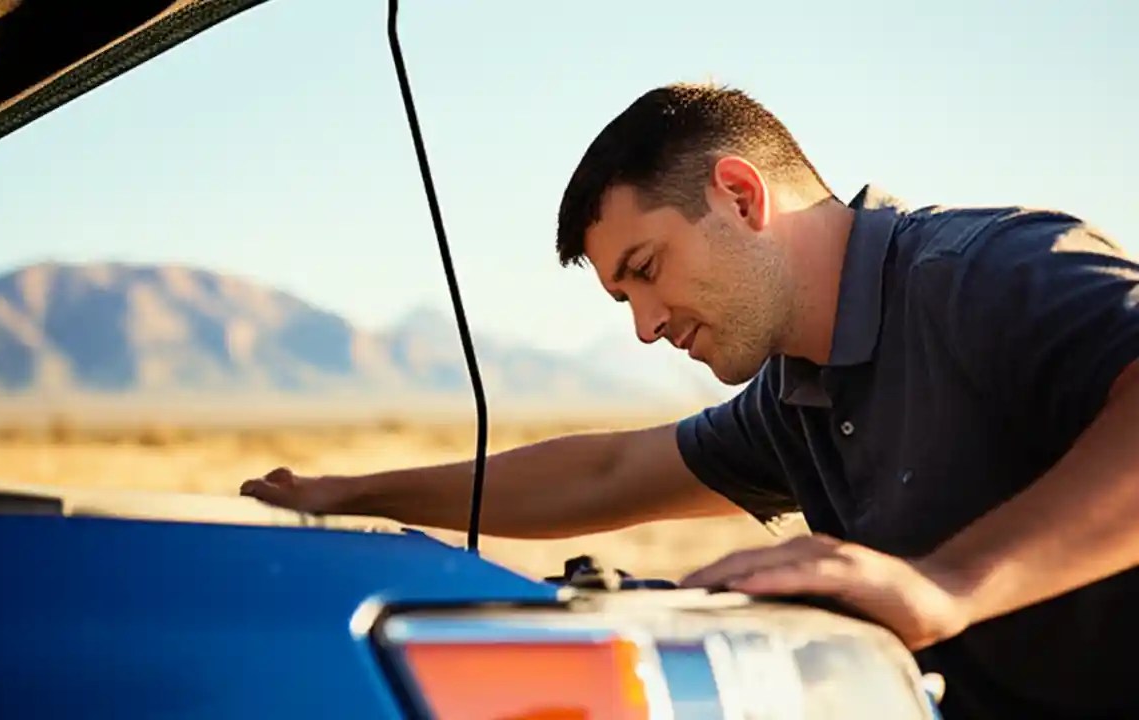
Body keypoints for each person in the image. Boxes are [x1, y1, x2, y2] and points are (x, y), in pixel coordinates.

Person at [241, 82, 1139, 719]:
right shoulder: (793, 395)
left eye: (646, 271)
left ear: (740, 196)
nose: (645, 325)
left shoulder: (985, 274)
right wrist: (348, 495)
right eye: (622, 299)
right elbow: (608, 470)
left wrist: (944, 587)